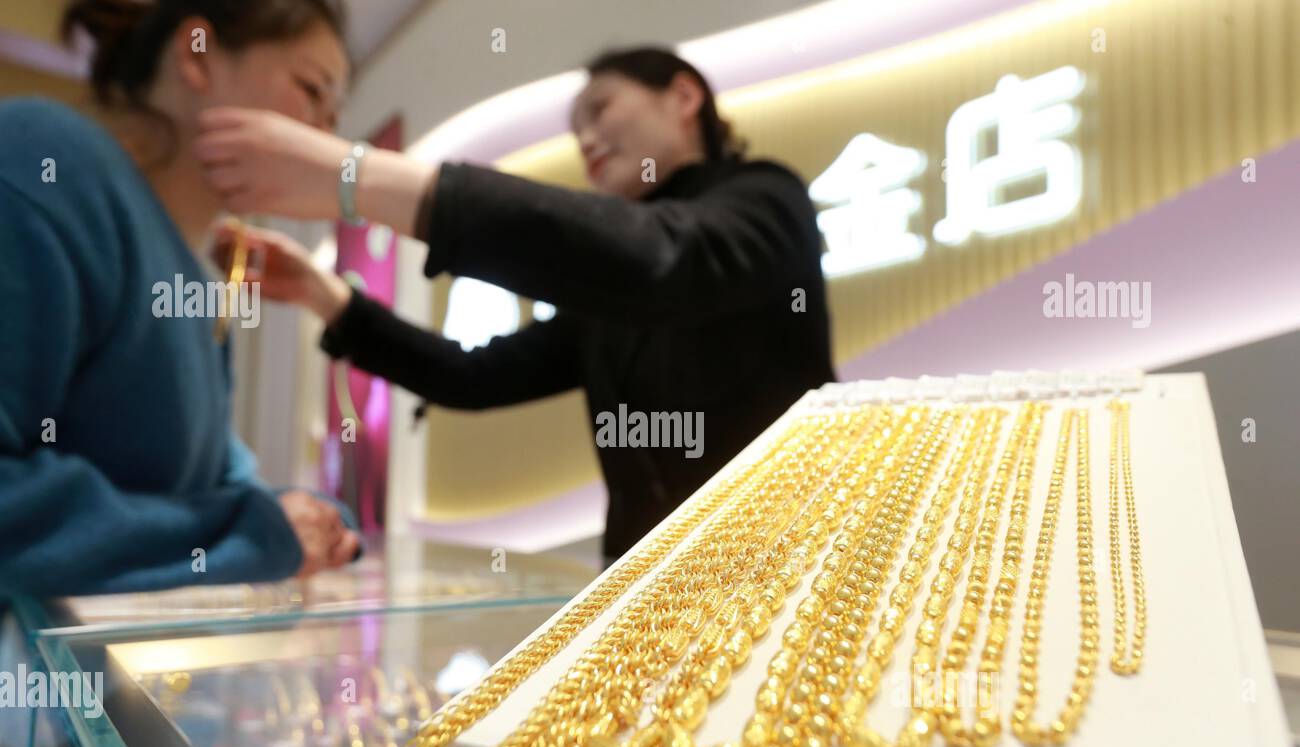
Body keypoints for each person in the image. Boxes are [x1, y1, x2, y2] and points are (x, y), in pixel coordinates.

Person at [197, 47, 836, 565]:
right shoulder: (608, 297)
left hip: (797, 575)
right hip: (652, 601)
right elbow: (471, 376)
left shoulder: (767, 200)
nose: (585, 137)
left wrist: (367, 180)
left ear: (685, 96)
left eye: (601, 108)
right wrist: (325, 296)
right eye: (576, 126)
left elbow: (660, 262)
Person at [0, 0, 360, 599]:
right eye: (311, 89)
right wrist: (250, 533)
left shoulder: (195, 278)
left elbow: (206, 485)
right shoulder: (48, 160)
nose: (327, 135)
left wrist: (295, 520)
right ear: (197, 57)